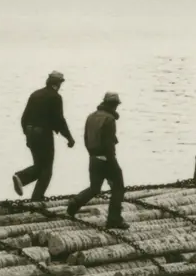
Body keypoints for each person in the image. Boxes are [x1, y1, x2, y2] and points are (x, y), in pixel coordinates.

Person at [66, 92, 128, 230]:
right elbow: (108, 144)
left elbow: (86, 138)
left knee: (94, 188)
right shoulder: (110, 119)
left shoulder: (91, 116)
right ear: (115, 105)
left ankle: (75, 203)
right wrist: (111, 161)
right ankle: (114, 219)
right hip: (106, 158)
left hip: (93, 158)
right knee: (118, 187)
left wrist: (92, 154)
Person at [12, 71, 75, 200]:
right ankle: (24, 180)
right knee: (47, 168)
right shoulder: (55, 97)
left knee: (40, 165)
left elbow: (24, 118)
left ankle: (34, 194)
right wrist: (69, 137)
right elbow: (59, 120)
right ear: (58, 83)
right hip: (43, 135)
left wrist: (27, 133)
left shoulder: (35, 94)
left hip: (31, 133)